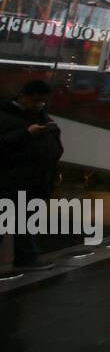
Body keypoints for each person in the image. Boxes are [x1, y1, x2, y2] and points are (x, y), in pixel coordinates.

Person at [0, 79, 63, 271]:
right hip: (8, 182)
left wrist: (53, 135)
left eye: (42, 101)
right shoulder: (5, 117)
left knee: (25, 223)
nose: (39, 105)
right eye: (36, 101)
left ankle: (27, 258)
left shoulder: (44, 119)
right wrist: (26, 134)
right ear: (24, 98)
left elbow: (56, 151)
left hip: (34, 183)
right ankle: (27, 258)